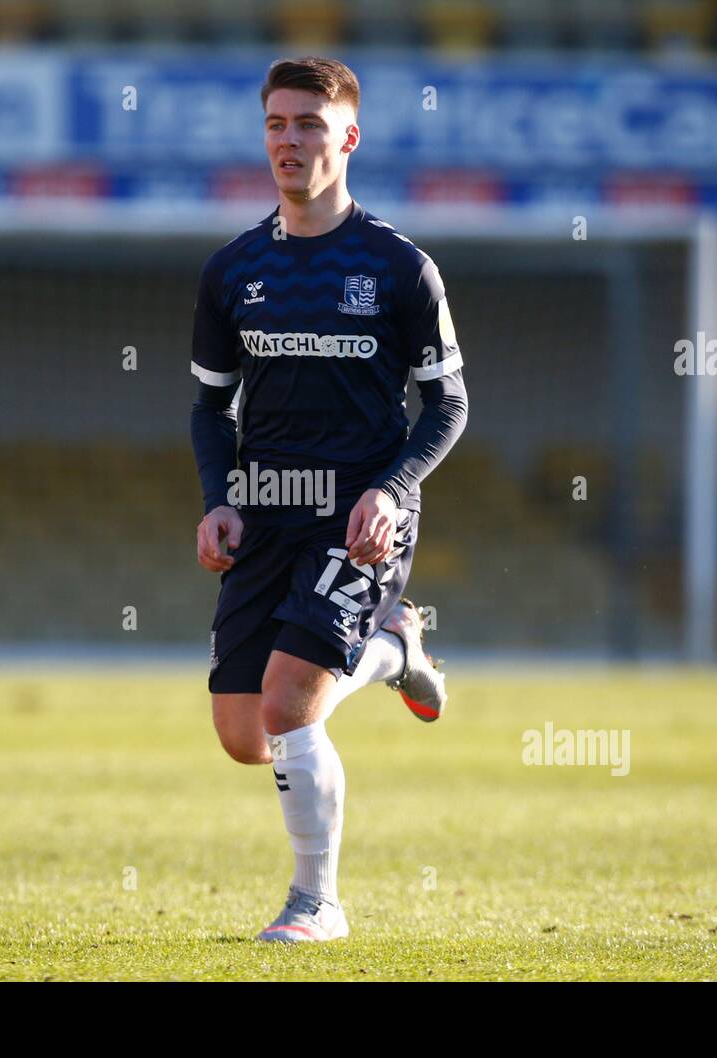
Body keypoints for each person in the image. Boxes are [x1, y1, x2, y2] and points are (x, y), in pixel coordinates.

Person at [190, 56, 468, 942]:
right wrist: (216, 500)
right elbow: (208, 406)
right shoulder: (233, 270)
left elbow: (449, 405)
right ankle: (392, 649)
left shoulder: (399, 268)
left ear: (347, 137)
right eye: (276, 124)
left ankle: (318, 904)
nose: (289, 141)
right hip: (265, 508)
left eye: (309, 124)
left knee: (287, 705)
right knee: (245, 734)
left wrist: (392, 490)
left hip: (360, 517)